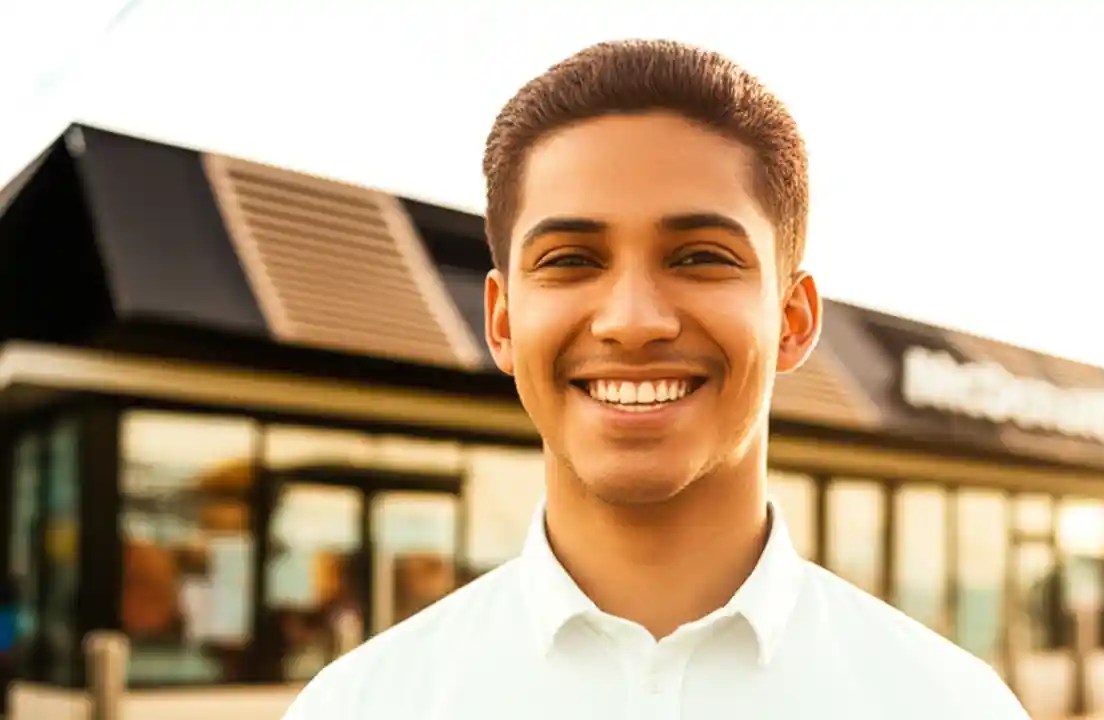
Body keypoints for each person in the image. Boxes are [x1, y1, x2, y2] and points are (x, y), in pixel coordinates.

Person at [281, 38, 1030, 719]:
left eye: (700, 257)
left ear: (793, 319)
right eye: (571, 260)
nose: (632, 321)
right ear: (503, 322)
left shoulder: (953, 707)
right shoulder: (357, 708)